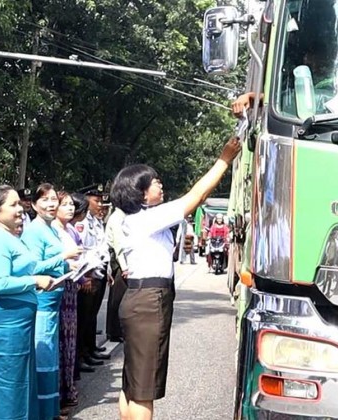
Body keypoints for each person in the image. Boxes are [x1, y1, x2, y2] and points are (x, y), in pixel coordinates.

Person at [111, 136, 240, 420]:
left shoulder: (135, 218)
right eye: (154, 181)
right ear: (140, 192)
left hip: (138, 298)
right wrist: (224, 159)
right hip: (149, 301)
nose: (160, 184)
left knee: (132, 382)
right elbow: (197, 197)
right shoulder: (146, 217)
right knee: (144, 387)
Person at [0, 185, 53, 420]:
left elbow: (27, 268)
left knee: (18, 383)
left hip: (16, 320)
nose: (20, 209)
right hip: (4, 320)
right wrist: (34, 281)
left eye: (20, 203)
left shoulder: (9, 237)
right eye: (13, 205)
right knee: (5, 387)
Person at [21, 183, 81, 420]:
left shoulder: (51, 229)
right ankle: (43, 412)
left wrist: (69, 265)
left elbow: (53, 262)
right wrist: (63, 257)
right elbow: (33, 266)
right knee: (43, 355)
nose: (51, 204)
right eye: (44, 200)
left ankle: (50, 409)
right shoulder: (35, 230)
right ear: (34, 204)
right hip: (42, 302)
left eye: (53, 199)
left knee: (51, 355)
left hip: (53, 302)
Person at [53, 191, 87, 412]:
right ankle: (57, 394)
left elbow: (81, 256)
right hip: (56, 288)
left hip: (72, 289)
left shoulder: (72, 230)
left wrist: (84, 273)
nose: (70, 208)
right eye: (63, 204)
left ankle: (68, 387)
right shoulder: (51, 232)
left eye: (70, 204)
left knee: (70, 339)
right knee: (58, 342)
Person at [76, 183, 110, 368]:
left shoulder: (95, 220)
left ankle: (89, 349)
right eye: (96, 200)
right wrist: (87, 274)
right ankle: (81, 354)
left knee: (91, 315)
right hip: (88, 274)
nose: (100, 204)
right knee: (83, 317)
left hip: (98, 271)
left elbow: (101, 248)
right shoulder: (82, 222)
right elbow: (82, 251)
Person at [105, 206, 128, 343]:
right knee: (117, 298)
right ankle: (114, 331)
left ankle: (116, 330)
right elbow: (119, 245)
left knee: (119, 297)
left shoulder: (125, 216)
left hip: (121, 260)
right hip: (118, 261)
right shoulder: (118, 218)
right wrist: (125, 267)